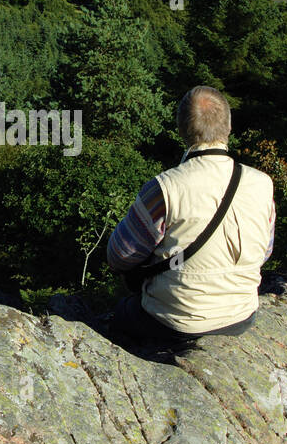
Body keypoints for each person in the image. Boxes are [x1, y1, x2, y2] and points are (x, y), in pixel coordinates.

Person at [107, 85, 275, 352]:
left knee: (119, 314)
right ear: (228, 127)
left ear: (182, 130)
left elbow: (120, 255)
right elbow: (264, 252)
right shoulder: (262, 183)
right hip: (242, 317)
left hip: (174, 323)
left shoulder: (163, 188)